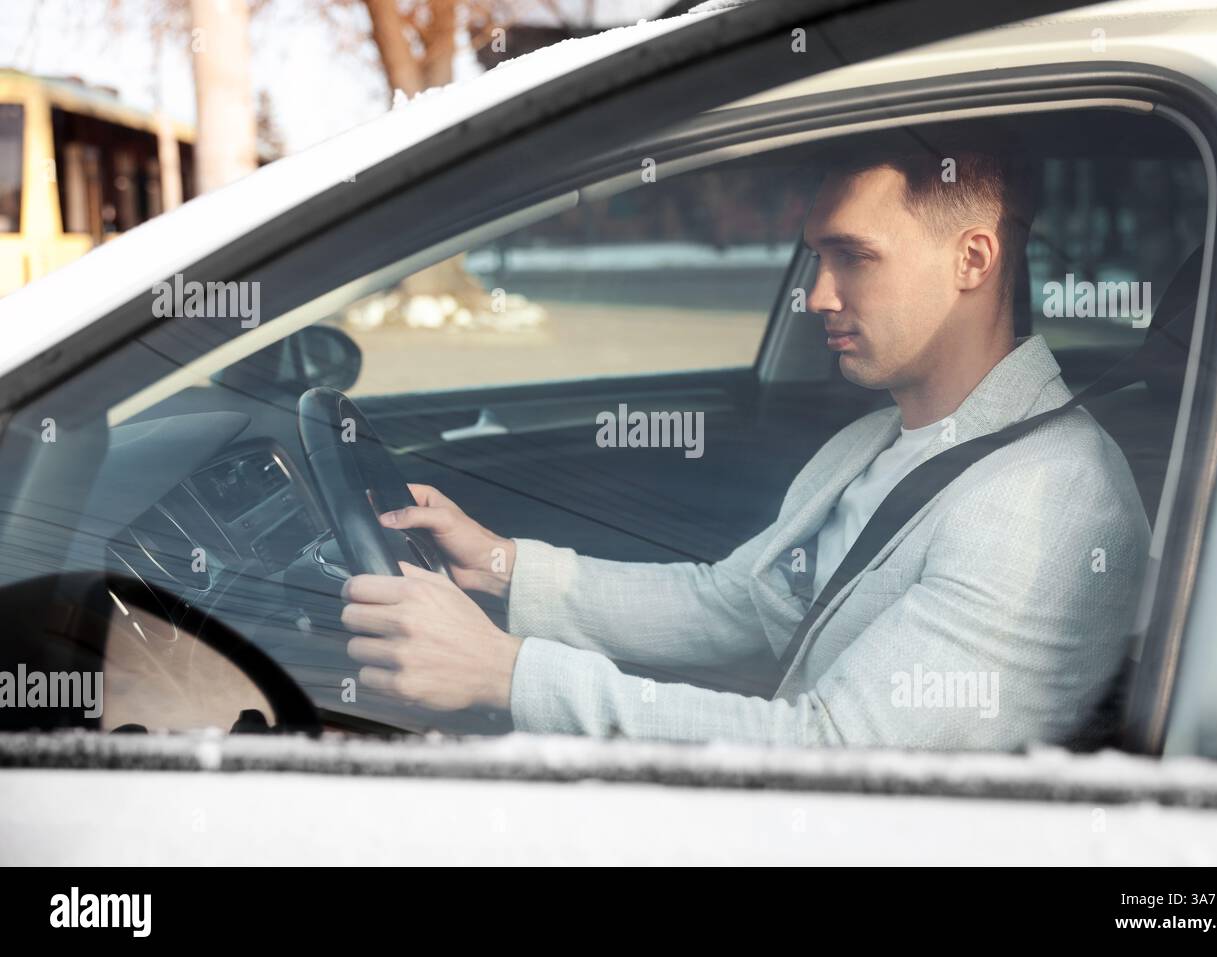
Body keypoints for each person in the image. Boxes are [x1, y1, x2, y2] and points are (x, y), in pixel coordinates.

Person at [341, 145, 1151, 750]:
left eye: (853, 258)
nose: (818, 293)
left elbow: (835, 756)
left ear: (972, 258)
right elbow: (732, 602)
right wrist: (499, 564)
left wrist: (506, 673)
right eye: (817, 257)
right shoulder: (877, 438)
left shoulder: (1050, 498)